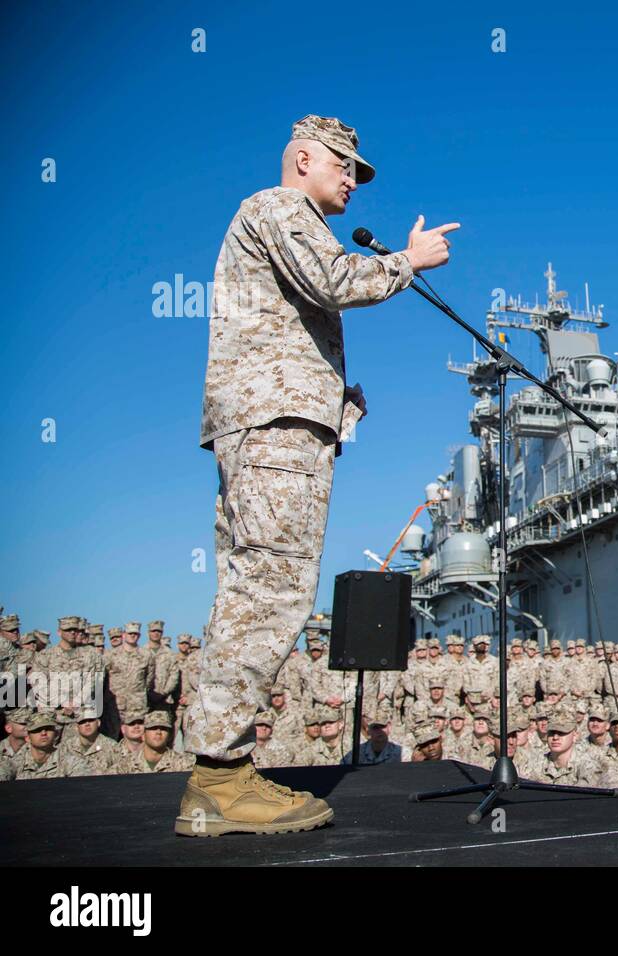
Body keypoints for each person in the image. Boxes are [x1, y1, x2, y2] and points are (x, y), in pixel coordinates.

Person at [179, 114, 459, 837]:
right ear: (305, 157)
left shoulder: (275, 218)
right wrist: (409, 259)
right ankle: (220, 781)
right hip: (275, 432)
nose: (352, 181)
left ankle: (222, 774)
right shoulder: (277, 207)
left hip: (277, 424)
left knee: (254, 589)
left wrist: (333, 402)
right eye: (345, 166)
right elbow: (333, 277)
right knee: (270, 590)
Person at [119, 711, 195, 774]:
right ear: (143, 734)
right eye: (153, 728)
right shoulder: (126, 766)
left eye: (163, 729)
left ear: (169, 735)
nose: (158, 732)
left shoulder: (184, 764)